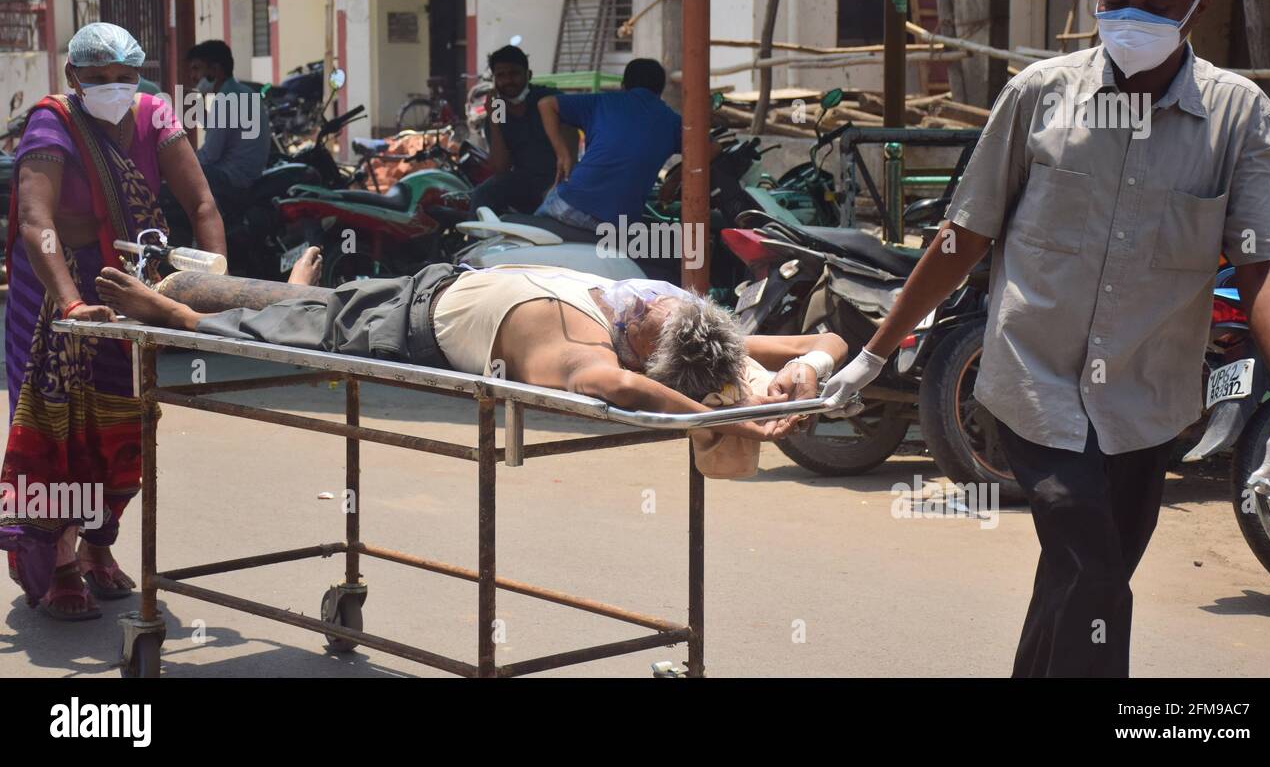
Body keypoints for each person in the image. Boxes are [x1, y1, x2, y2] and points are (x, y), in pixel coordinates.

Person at [819, 0, 1270, 677]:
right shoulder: (1040, 95)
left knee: (1077, 580)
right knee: (1094, 566)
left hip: (1149, 399)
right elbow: (963, 234)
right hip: (1034, 385)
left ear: (1197, 4)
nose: (1132, 15)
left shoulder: (1241, 118)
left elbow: (1263, 262)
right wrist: (880, 348)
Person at [93, 259, 845, 449]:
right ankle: (281, 294)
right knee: (314, 307)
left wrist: (735, 425)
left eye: (658, 313)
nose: (655, 298)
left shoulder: (581, 346)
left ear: (650, 344)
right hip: (438, 279)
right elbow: (828, 339)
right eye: (669, 300)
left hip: (410, 328)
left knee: (308, 331)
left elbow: (623, 391)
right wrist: (804, 370)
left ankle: (182, 313)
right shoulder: (669, 318)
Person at [3, 22, 225, 620]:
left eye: (124, 77)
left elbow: (201, 203)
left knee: (125, 422)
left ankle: (100, 544)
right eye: (98, 79)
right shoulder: (52, 122)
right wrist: (73, 303)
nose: (113, 88)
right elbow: (35, 220)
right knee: (62, 429)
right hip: (55, 294)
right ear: (75, 78)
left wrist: (214, 283)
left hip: (131, 292)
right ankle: (62, 561)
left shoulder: (155, 116)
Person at [535, 58, 681, 231]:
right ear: (660, 89)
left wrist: (563, 155)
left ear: (623, 85)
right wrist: (674, 180)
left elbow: (546, 104)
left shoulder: (602, 102)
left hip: (568, 208)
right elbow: (714, 148)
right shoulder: (672, 121)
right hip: (620, 225)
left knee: (529, 242)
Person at [470, 45, 569, 215]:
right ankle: (479, 242)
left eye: (514, 73)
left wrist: (558, 186)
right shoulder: (498, 111)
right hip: (524, 182)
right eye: (501, 75)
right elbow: (501, 168)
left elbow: (570, 150)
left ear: (528, 75)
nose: (508, 80)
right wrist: (494, 118)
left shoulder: (548, 99)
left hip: (561, 178)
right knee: (482, 194)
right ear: (494, 80)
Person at [187, 39, 271, 217]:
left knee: (178, 175)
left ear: (214, 71)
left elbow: (210, 155)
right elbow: (220, 135)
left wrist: (179, 163)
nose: (192, 76)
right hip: (249, 175)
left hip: (232, 179)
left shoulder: (227, 99)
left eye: (196, 69)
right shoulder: (243, 92)